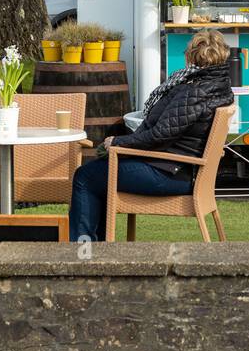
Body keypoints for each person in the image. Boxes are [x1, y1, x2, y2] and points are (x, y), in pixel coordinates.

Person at [69, 29, 234, 241]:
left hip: (171, 173)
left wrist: (117, 142)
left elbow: (159, 135)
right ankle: (95, 250)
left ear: (191, 56)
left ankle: (83, 253)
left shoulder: (194, 91)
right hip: (184, 170)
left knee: (86, 176)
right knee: (99, 174)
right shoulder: (221, 87)